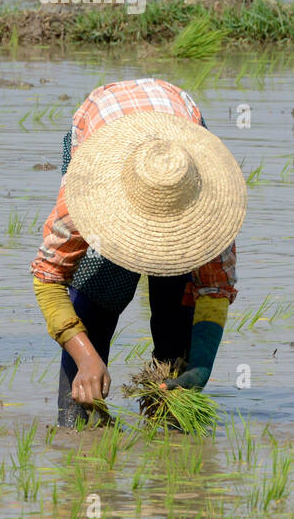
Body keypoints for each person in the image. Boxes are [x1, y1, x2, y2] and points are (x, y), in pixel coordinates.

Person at [31, 79, 245, 428]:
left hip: (180, 131)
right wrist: (85, 356)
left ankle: (169, 406)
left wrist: (200, 367)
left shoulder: (211, 207)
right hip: (103, 121)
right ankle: (80, 411)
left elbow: (213, 288)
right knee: (101, 283)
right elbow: (48, 276)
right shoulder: (84, 197)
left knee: (179, 292)